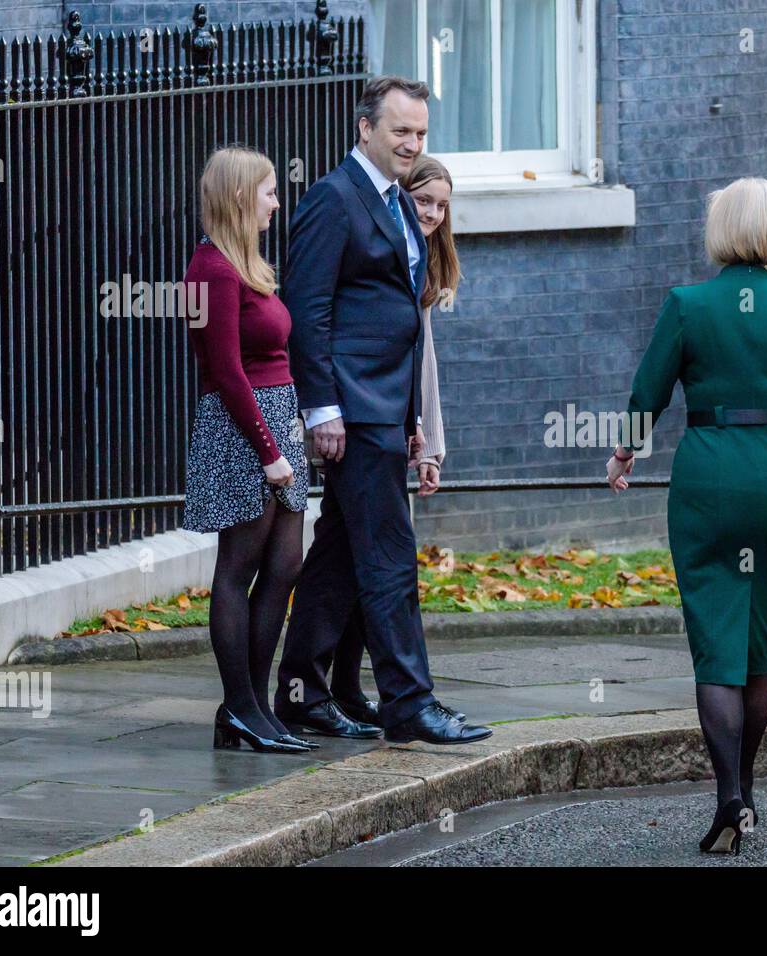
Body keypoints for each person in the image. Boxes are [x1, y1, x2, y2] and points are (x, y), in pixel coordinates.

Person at [607, 176, 767, 853]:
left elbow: (646, 393)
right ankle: (747, 792)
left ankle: (727, 798)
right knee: (757, 649)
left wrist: (623, 456)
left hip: (708, 476)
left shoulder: (687, 305)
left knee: (715, 646)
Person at [273, 75, 491, 745]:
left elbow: (397, 313)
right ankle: (410, 704)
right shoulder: (333, 201)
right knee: (390, 557)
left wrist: (410, 418)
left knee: (339, 551)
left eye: (421, 133)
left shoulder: (397, 203)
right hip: (352, 411)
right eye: (400, 131)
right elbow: (306, 313)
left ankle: (301, 693)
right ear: (365, 129)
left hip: (383, 410)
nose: (411, 143)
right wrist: (321, 409)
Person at [181, 145, 316, 755]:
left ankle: (254, 705)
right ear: (239, 197)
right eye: (267, 191)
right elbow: (227, 372)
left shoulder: (248, 266)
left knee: (285, 564)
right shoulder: (209, 270)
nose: (276, 202)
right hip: (242, 432)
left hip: (277, 422)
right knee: (237, 569)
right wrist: (269, 451)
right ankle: (240, 706)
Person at [325, 153, 461, 726]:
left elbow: (422, 358)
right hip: (366, 415)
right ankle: (389, 698)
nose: (431, 213)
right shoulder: (367, 225)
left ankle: (327, 690)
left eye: (441, 205)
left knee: (347, 558)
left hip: (397, 417)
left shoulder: (425, 253)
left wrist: (424, 435)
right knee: (376, 559)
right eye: (423, 200)